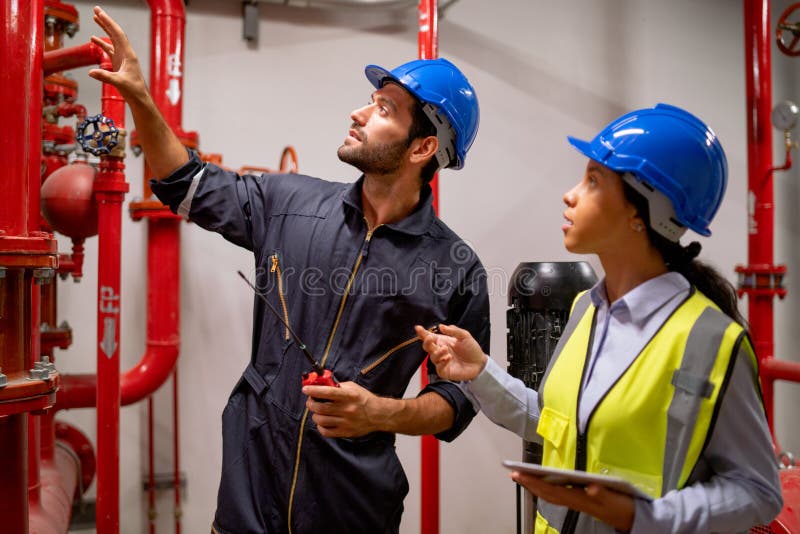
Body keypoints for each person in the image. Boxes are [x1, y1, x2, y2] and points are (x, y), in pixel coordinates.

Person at [90, 6, 490, 534]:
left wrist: (379, 412)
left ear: (423, 147)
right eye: (370, 101)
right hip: (249, 500)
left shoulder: (455, 269)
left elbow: (457, 399)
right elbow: (184, 182)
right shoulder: (289, 203)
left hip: (353, 509)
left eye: (384, 109)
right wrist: (142, 99)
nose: (358, 114)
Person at [416, 104, 783, 533]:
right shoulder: (586, 309)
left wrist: (645, 516)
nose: (570, 195)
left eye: (593, 181)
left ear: (642, 209)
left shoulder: (711, 339)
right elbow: (559, 424)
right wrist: (480, 372)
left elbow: (758, 491)